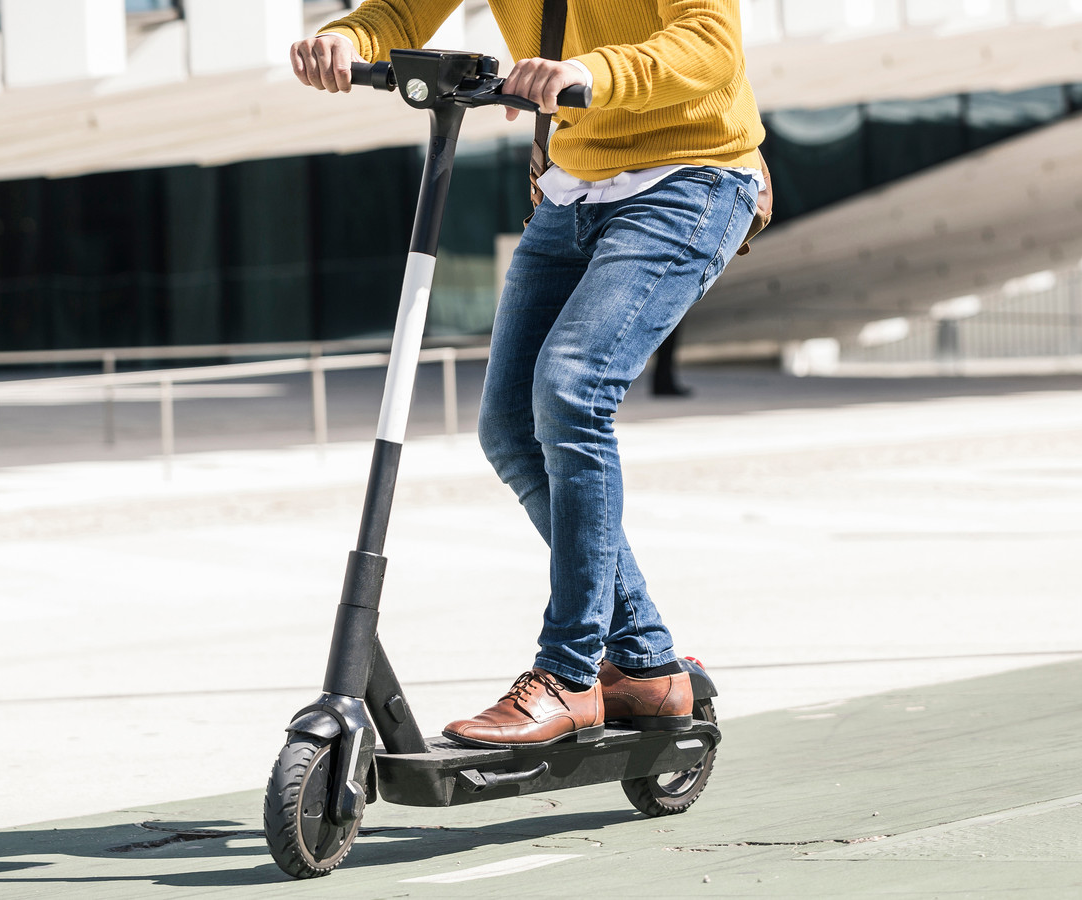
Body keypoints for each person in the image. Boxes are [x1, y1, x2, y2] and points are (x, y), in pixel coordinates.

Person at [292, 1, 764, 749]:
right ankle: (643, 660)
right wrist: (343, 41)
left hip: (691, 178)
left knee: (571, 390)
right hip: (572, 188)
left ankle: (571, 674)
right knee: (510, 429)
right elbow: (401, 10)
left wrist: (586, 72)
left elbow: (711, 45)